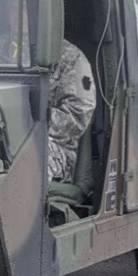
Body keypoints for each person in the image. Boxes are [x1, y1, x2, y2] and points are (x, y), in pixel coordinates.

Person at [48, 41, 96, 185]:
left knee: (28, 161)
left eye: (29, 16)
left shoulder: (70, 57)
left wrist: (31, 126)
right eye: (15, 15)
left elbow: (80, 110)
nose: (19, 18)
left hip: (51, 144)